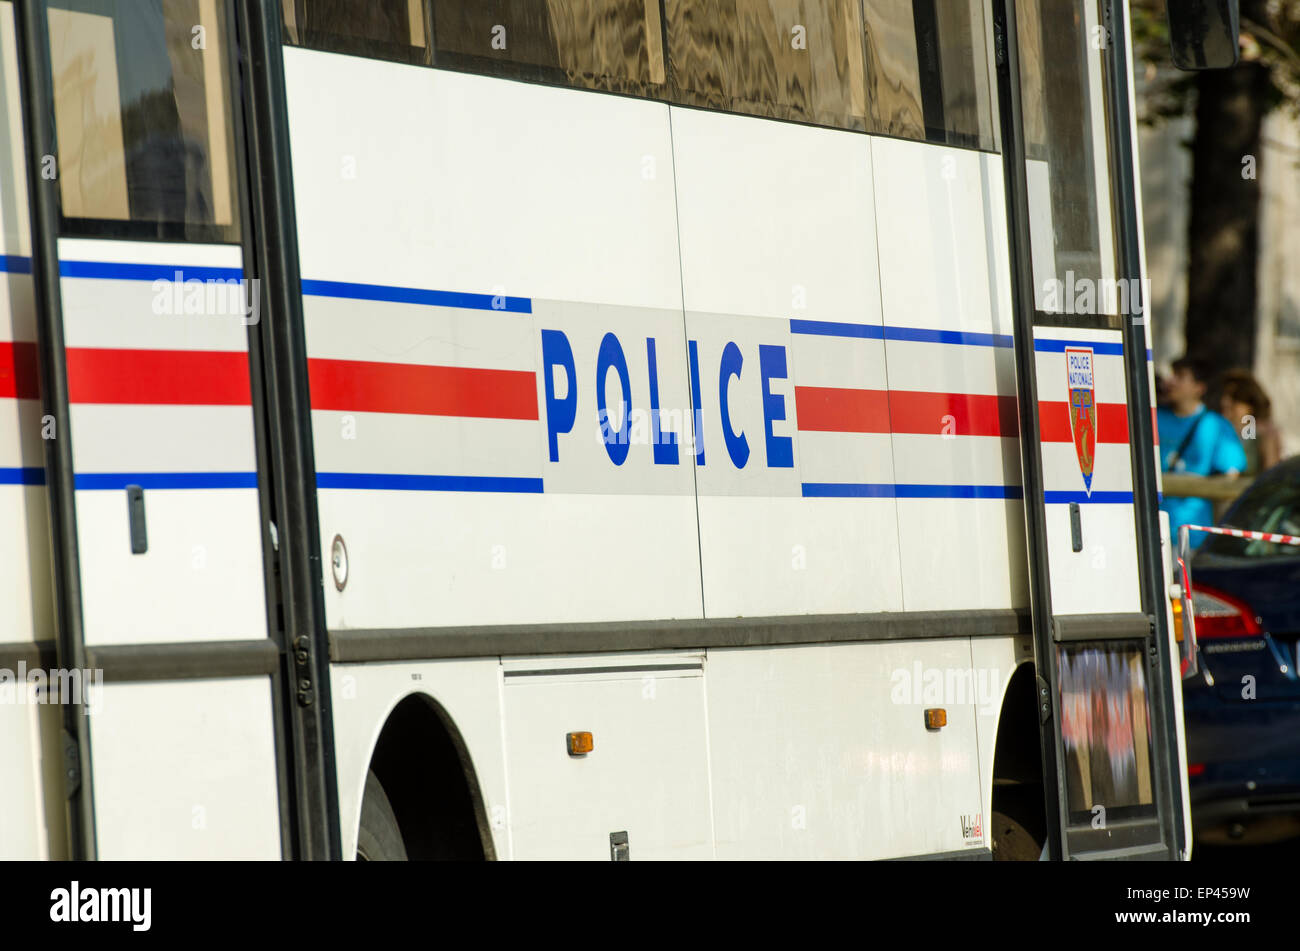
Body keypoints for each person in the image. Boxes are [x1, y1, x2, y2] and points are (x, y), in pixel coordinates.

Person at [1157, 356, 1247, 547]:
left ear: (1199, 387)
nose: (1171, 381)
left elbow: (1232, 474)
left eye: (1180, 376)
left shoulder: (1215, 426)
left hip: (1191, 535)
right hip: (1152, 530)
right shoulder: (1152, 417)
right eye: (1172, 374)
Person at [1218, 368, 1283, 476]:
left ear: (1250, 404)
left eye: (1234, 398)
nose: (1225, 402)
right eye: (1224, 396)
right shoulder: (1216, 428)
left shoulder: (1263, 433)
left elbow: (1270, 473)